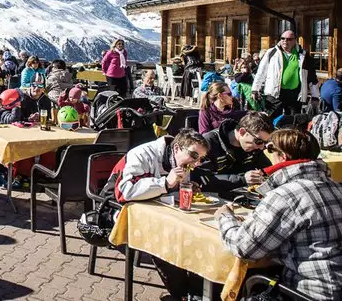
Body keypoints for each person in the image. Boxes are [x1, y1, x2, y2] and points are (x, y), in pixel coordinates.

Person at [215, 128, 342, 300]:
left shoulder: (287, 195)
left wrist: (225, 217)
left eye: (269, 149)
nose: (266, 154)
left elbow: (243, 247)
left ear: (282, 155)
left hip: (310, 292)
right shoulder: (336, 187)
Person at [102, 129, 211, 299]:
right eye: (194, 156)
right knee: (164, 239)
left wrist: (187, 187)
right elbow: (124, 193)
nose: (196, 163)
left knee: (193, 234)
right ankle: (182, 294)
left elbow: (173, 189)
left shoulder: (183, 162)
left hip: (155, 207)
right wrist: (165, 183)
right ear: (176, 148)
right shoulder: (142, 154)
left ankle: (198, 292)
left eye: (201, 159)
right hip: (118, 207)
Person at [252, 30, 319, 116]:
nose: (285, 41)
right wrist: (255, 89)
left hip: (294, 94)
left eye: (289, 39)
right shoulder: (271, 53)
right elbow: (261, 72)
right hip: (274, 93)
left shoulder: (303, 55)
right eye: (283, 38)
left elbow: (312, 77)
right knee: (270, 120)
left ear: (295, 40)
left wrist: (315, 96)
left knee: (292, 122)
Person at [201, 111, 273, 192]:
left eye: (265, 142)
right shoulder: (209, 142)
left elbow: (267, 170)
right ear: (242, 132)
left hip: (239, 196)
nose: (261, 147)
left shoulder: (254, 148)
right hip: (212, 197)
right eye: (259, 141)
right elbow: (202, 178)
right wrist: (242, 179)